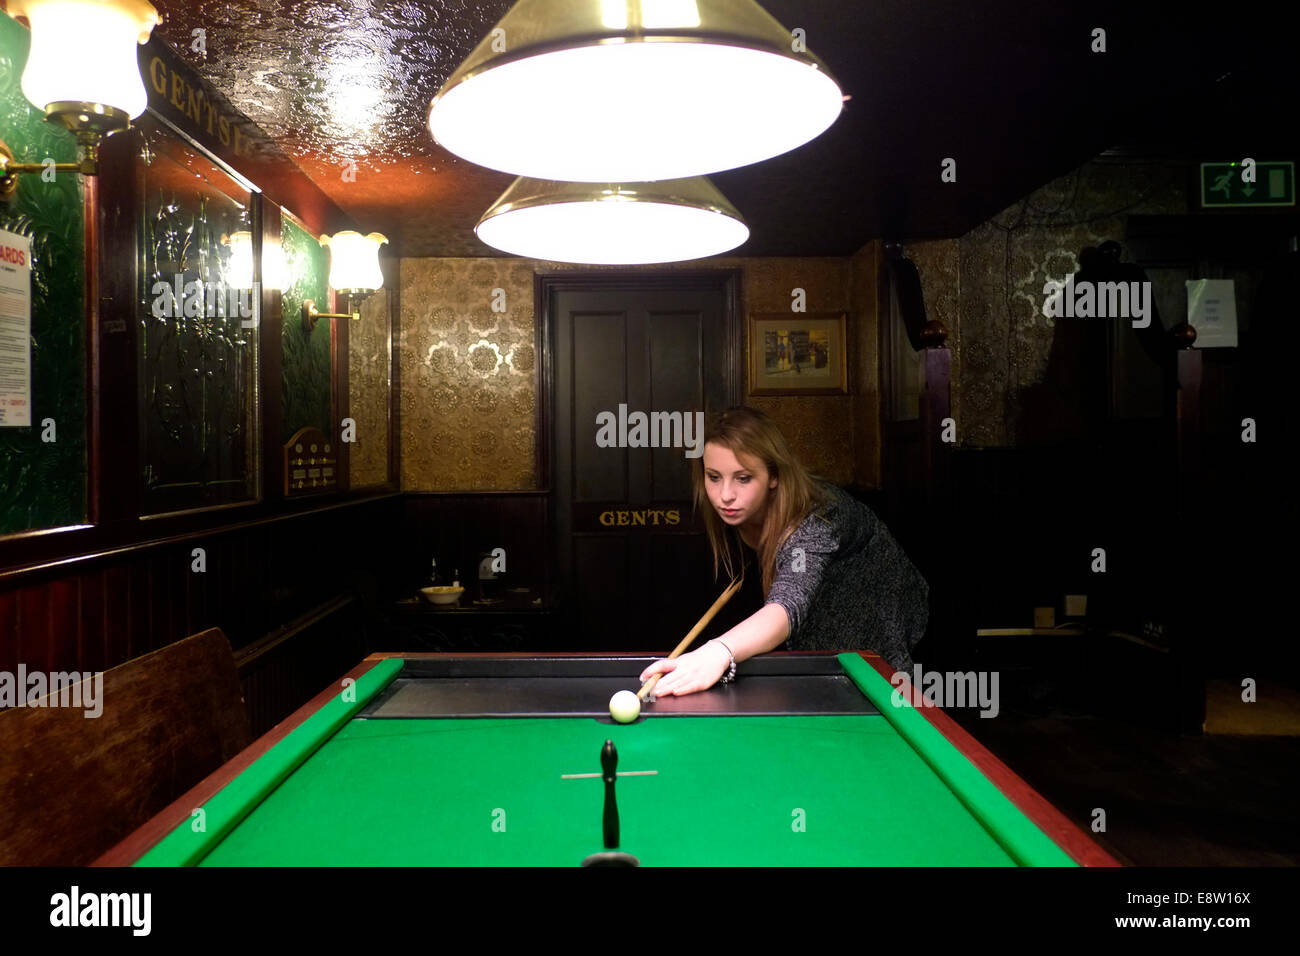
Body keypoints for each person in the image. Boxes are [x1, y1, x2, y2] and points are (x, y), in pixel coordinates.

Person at [640, 406, 929, 696]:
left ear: (774, 476)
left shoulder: (818, 518)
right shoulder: (737, 512)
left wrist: (718, 651)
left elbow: (787, 603)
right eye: (714, 477)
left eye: (743, 478)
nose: (725, 495)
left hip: (878, 642)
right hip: (819, 648)